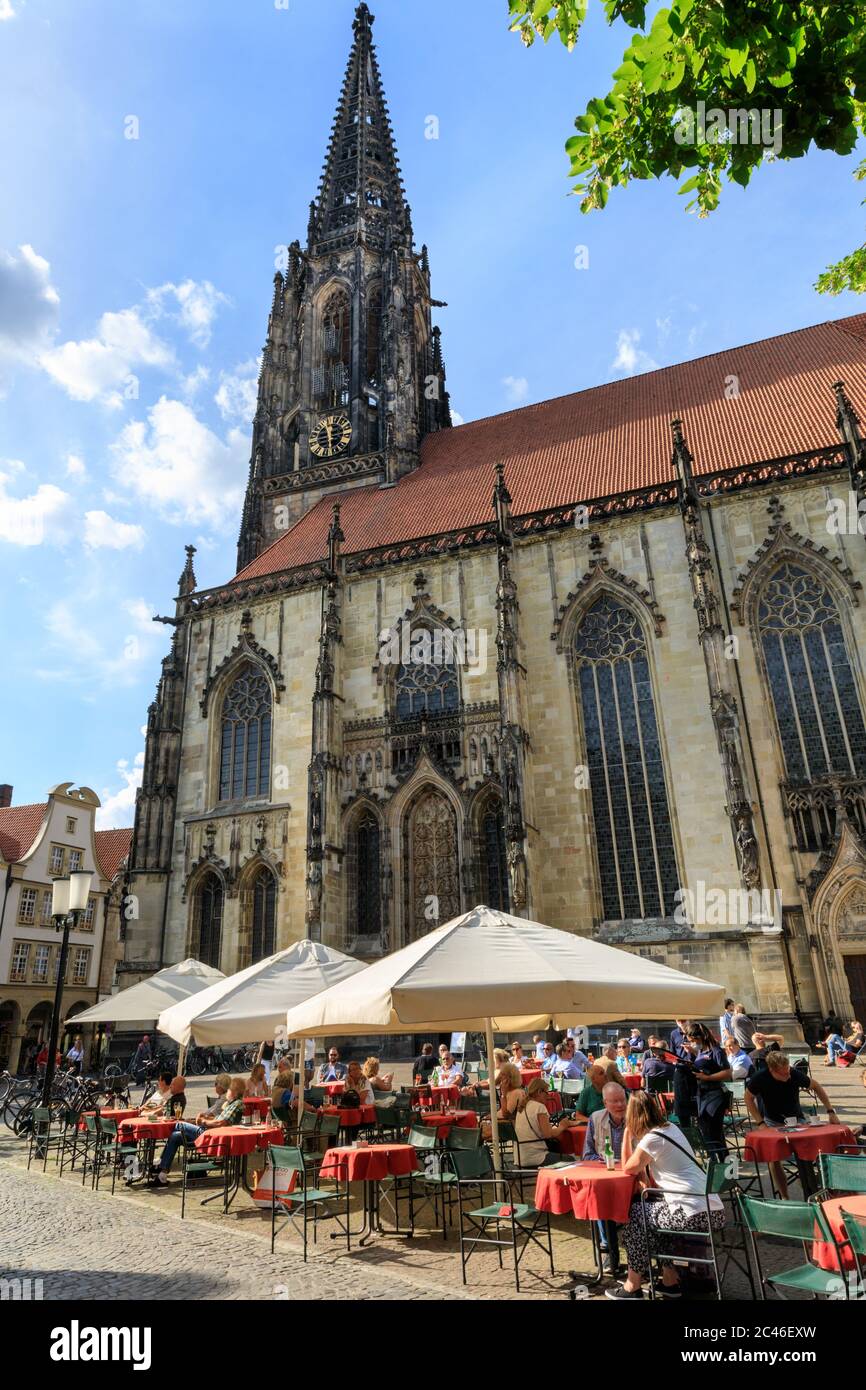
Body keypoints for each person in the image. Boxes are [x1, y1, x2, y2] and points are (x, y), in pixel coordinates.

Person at [605, 1093, 726, 1300]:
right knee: (655, 1215)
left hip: (692, 1212)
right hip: (713, 1208)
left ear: (633, 1116)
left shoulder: (653, 1138)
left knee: (636, 1213)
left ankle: (632, 1285)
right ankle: (670, 1281)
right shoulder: (671, 1128)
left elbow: (628, 1168)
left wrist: (626, 1134)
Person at [745, 1051, 841, 1198]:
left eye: (788, 1071)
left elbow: (816, 1086)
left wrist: (830, 1111)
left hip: (797, 1119)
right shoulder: (760, 1078)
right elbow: (748, 1098)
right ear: (772, 1070)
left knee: (813, 1151)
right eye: (783, 1074)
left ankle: (812, 1185)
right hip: (772, 1121)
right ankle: (785, 1196)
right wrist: (760, 1122)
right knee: (774, 1158)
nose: (788, 1076)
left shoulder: (794, 1074)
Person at [149, 1077, 247, 1185]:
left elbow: (221, 1123)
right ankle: (162, 1174)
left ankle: (159, 1163)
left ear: (234, 1091)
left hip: (210, 1135)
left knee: (178, 1124)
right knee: (175, 1136)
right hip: (207, 1132)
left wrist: (203, 1122)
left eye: (229, 1090)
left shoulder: (236, 1104)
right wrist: (202, 1119)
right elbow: (217, 1119)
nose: (227, 1091)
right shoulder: (230, 1104)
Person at [583, 1082, 629, 1274]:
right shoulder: (595, 1119)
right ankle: (609, 1250)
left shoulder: (635, 1117)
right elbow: (587, 1155)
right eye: (614, 1101)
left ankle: (636, 1249)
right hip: (608, 1176)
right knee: (598, 1199)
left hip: (632, 1176)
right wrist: (603, 1160)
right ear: (605, 1103)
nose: (620, 1105)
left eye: (622, 1100)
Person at [513, 1076, 585, 1166]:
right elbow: (548, 1134)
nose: (548, 1096)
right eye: (546, 1092)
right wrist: (563, 1126)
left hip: (520, 1156)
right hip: (535, 1157)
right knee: (570, 1159)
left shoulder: (523, 1106)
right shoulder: (539, 1107)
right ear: (539, 1092)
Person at [687, 1023, 731, 1157]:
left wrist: (708, 1077)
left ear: (701, 1037)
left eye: (694, 1040)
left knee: (714, 1130)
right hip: (703, 1094)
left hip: (715, 1094)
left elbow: (728, 1072)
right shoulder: (700, 1051)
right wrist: (692, 1054)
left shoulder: (716, 1051)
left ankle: (723, 1161)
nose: (693, 1043)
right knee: (706, 1130)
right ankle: (715, 1160)